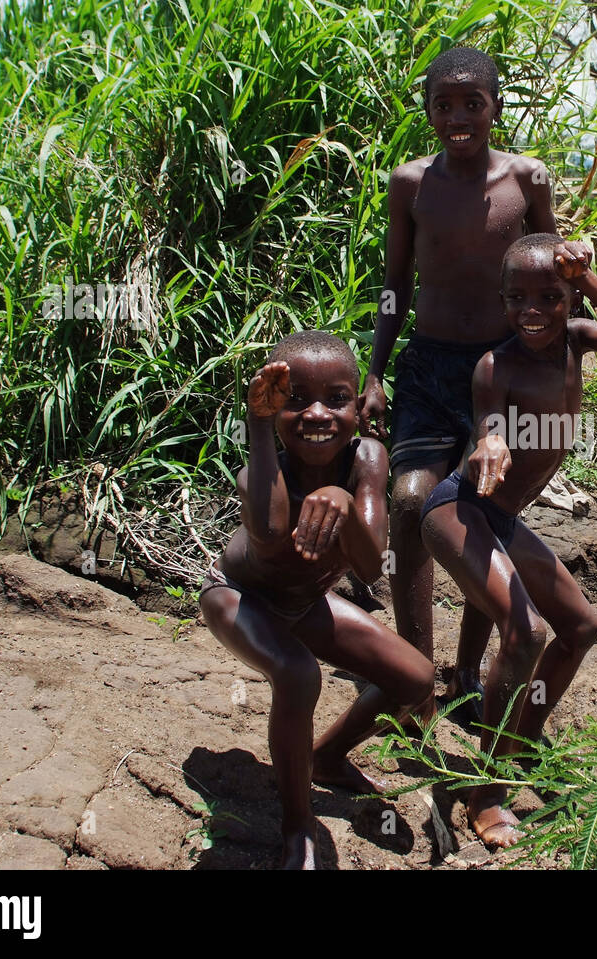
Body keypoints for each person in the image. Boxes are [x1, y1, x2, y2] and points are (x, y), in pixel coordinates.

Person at [358, 47, 585, 727]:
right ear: (428, 111)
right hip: (428, 367)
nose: (457, 117)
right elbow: (397, 283)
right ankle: (414, 677)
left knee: (483, 509)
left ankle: (467, 672)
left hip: (502, 369)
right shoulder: (409, 183)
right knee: (409, 501)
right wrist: (374, 369)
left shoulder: (525, 179)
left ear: (495, 107)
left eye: (472, 104)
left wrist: (562, 369)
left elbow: (555, 276)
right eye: (443, 104)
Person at [420, 233, 597, 848]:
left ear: (569, 298)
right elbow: (491, 426)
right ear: (501, 302)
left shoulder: (577, 340)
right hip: (459, 511)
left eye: (550, 296)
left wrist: (588, 282)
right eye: (518, 298)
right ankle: (487, 793)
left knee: (581, 628)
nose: (534, 309)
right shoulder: (494, 366)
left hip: (501, 522)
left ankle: (522, 738)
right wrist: (490, 442)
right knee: (526, 632)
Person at [199, 331, 435, 869]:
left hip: (303, 605)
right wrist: (259, 427)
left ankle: (326, 757)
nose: (317, 414)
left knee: (417, 680)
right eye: (295, 399)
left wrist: (345, 504)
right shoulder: (262, 472)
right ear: (274, 408)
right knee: (299, 674)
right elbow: (267, 533)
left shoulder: (367, 459)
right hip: (238, 598)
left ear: (360, 403)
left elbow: (373, 564)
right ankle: (297, 826)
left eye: (335, 398)